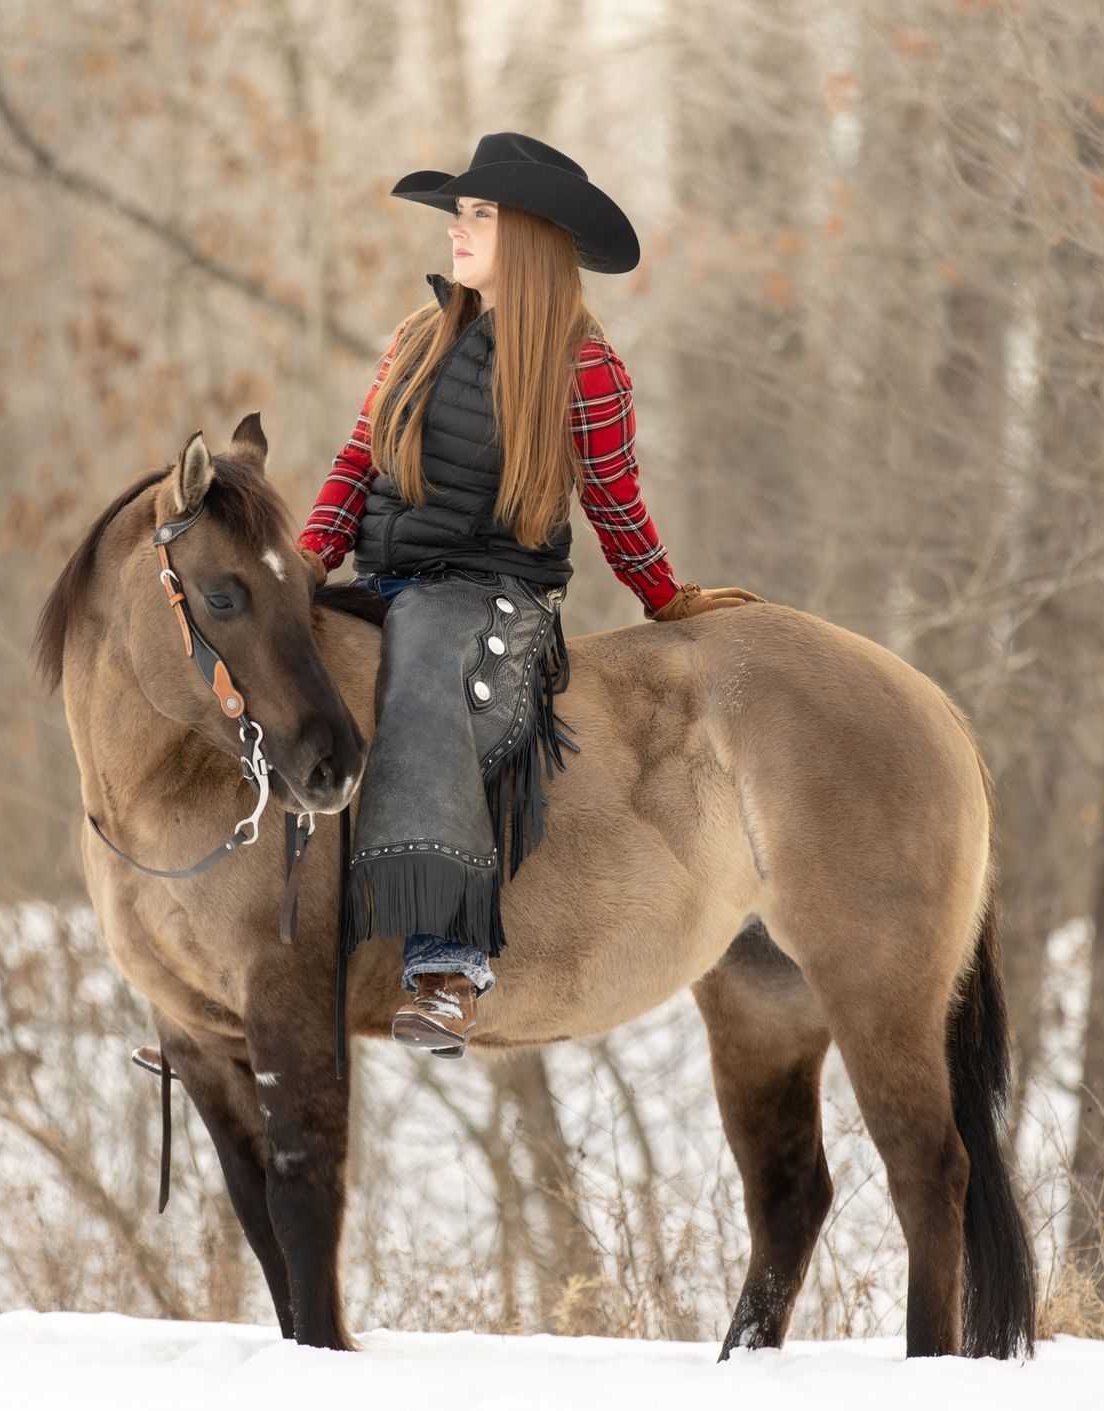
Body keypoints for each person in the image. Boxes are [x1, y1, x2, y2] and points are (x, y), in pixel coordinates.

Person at [293, 131, 760, 1056]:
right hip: (380, 576)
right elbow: (358, 458)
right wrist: (311, 557)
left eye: (480, 214)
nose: (458, 231)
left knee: (426, 670)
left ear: (534, 237)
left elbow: (615, 502)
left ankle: (446, 965)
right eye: (459, 213)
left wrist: (667, 597)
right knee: (272, 660)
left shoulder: (584, 368)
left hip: (490, 596)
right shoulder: (417, 339)